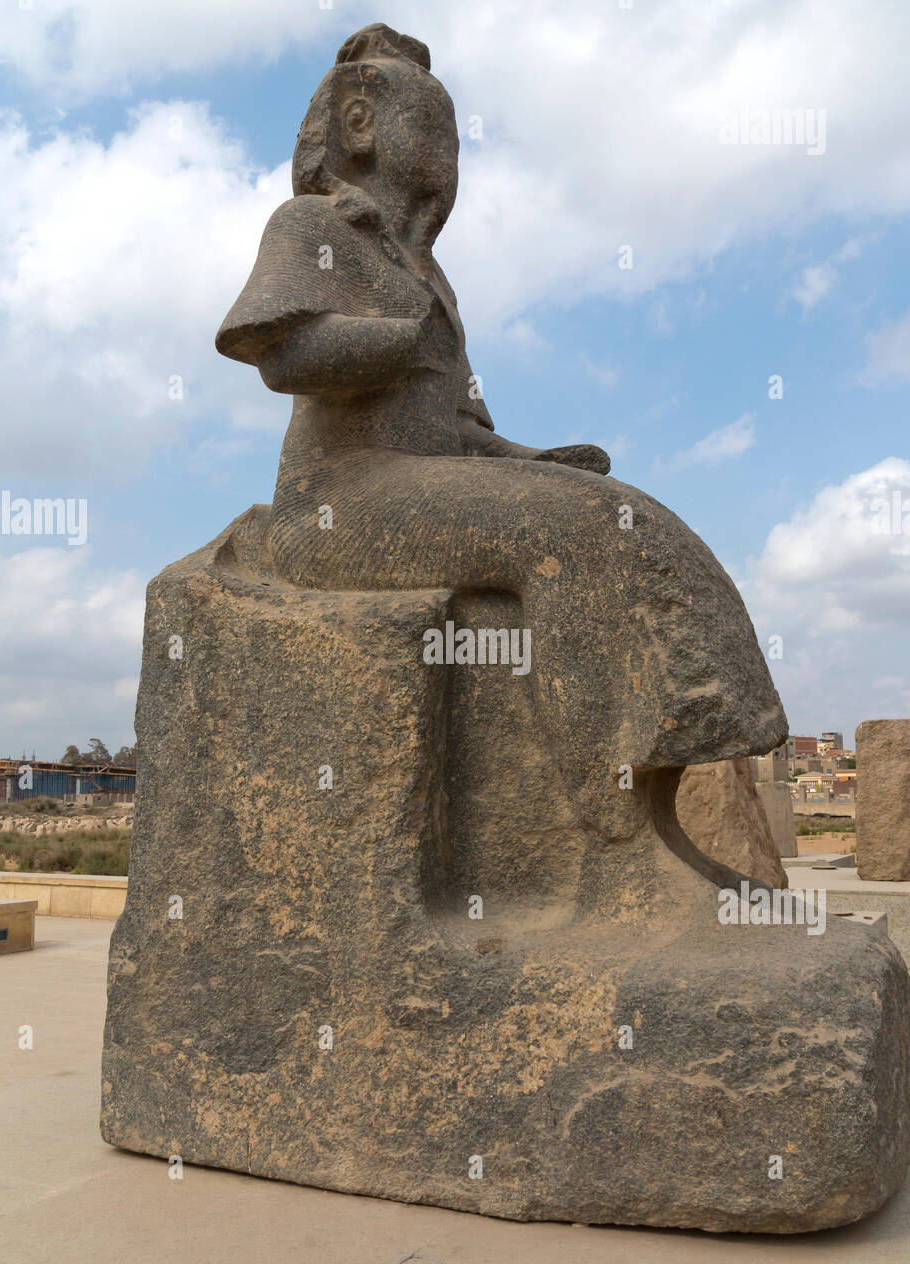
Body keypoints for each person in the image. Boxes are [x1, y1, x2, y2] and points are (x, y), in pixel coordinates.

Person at [217, 23, 784, 842]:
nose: (449, 154)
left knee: (610, 507)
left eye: (454, 138)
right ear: (363, 125)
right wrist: (399, 339)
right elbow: (283, 355)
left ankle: (687, 748)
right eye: (434, 129)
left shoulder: (430, 280)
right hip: (339, 502)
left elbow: (460, 432)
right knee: (562, 533)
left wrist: (538, 461)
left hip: (415, 486)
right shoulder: (312, 228)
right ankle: (607, 830)